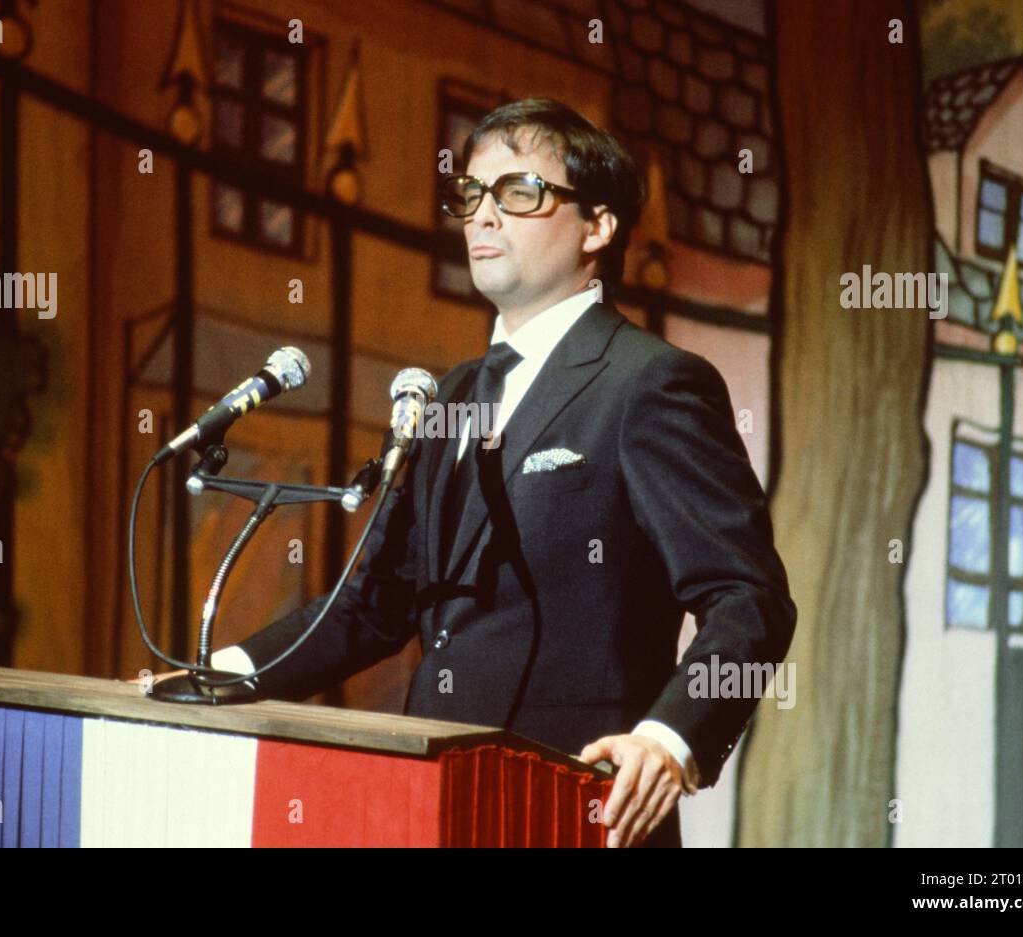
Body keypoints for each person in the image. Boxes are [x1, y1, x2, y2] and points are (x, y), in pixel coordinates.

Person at [161, 98, 796, 848]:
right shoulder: (451, 393)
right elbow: (370, 604)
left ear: (598, 225)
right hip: (434, 806)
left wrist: (670, 742)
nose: (482, 215)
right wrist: (212, 674)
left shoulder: (650, 383)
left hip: (576, 809)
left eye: (518, 193)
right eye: (471, 193)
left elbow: (749, 598)